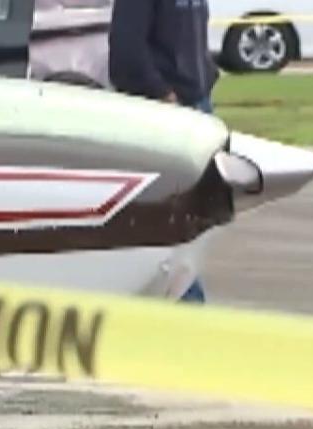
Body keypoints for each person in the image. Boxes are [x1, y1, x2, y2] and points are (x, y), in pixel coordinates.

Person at [109, 0, 220, 302]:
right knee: (167, 226)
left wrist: (207, 78)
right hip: (166, 116)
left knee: (193, 225)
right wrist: (163, 95)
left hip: (197, 108)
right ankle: (186, 310)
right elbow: (125, 55)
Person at [108, 0, 220, 114]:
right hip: (159, 109)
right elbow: (126, 50)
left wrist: (208, 74)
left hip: (198, 101)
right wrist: (162, 93)